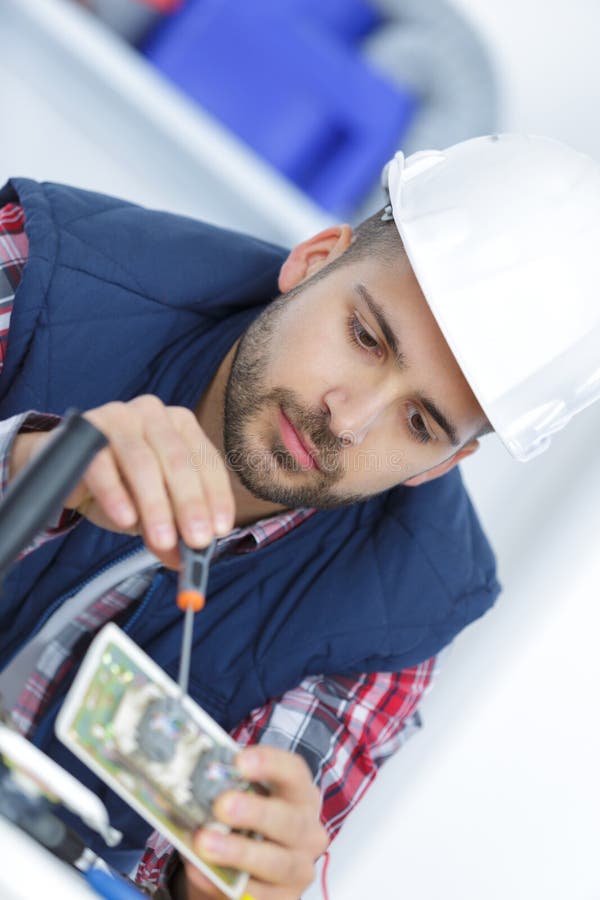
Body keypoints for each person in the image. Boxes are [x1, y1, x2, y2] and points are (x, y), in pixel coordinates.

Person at [0, 133, 598, 899]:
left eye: (419, 424)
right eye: (365, 338)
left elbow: (224, 876)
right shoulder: (43, 275)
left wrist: (231, 887)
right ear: (313, 259)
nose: (347, 422)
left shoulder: (406, 610)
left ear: (444, 464)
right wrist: (27, 466)